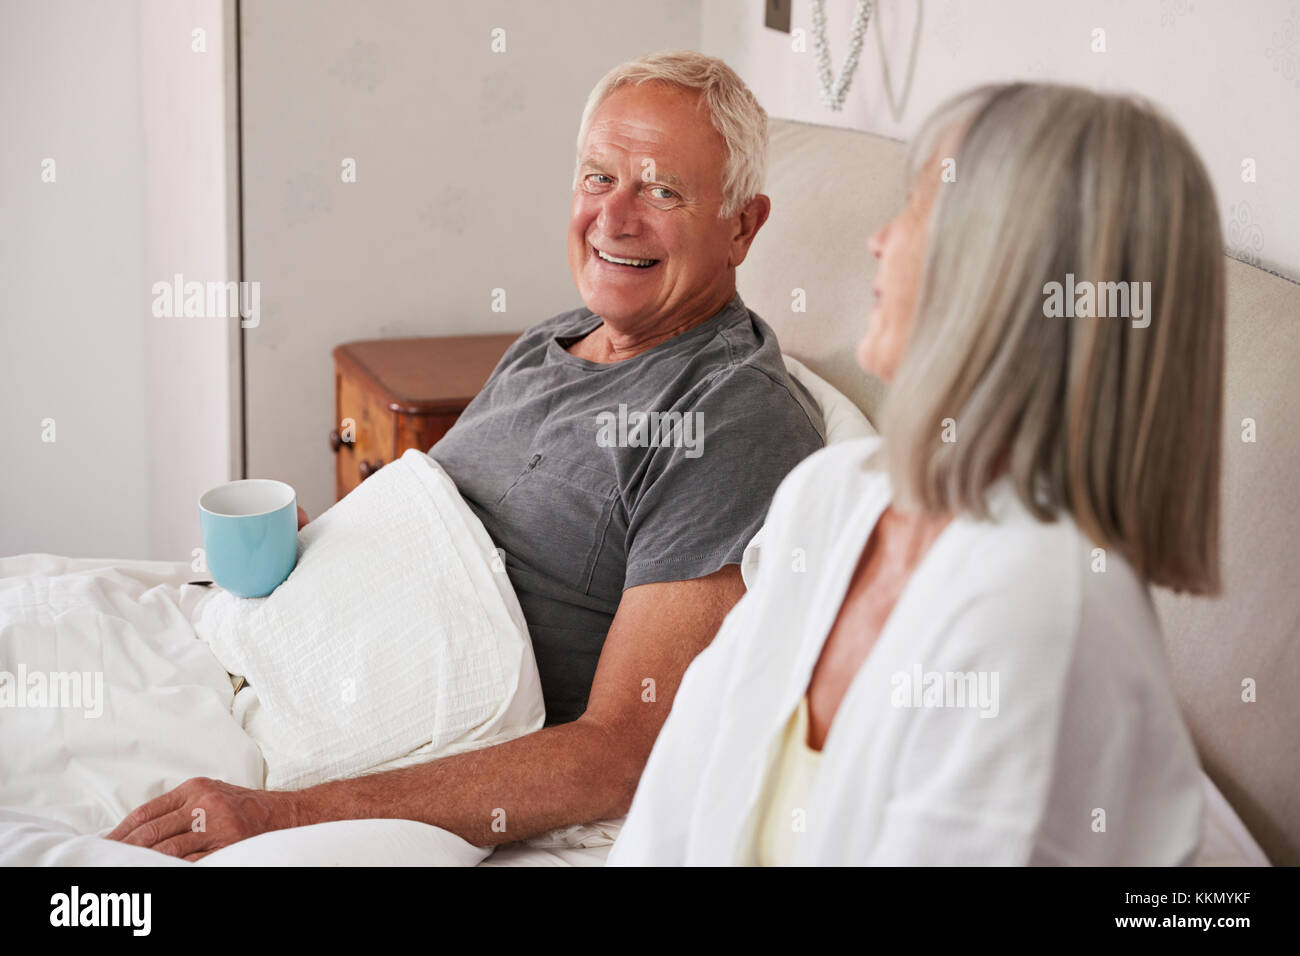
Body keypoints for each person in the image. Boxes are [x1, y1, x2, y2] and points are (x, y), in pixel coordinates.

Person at [108, 51, 824, 859]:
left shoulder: (726, 420)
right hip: (258, 659)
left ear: (742, 225)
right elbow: (437, 527)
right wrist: (324, 554)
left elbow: (622, 754)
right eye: (598, 178)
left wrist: (283, 818)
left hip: (343, 756)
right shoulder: (551, 340)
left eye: (661, 190)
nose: (614, 219)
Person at [609, 82, 1224, 866]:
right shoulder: (832, 496)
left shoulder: (1041, 606)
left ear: (1002, 272)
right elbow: (676, 802)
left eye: (917, 210)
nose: (879, 239)